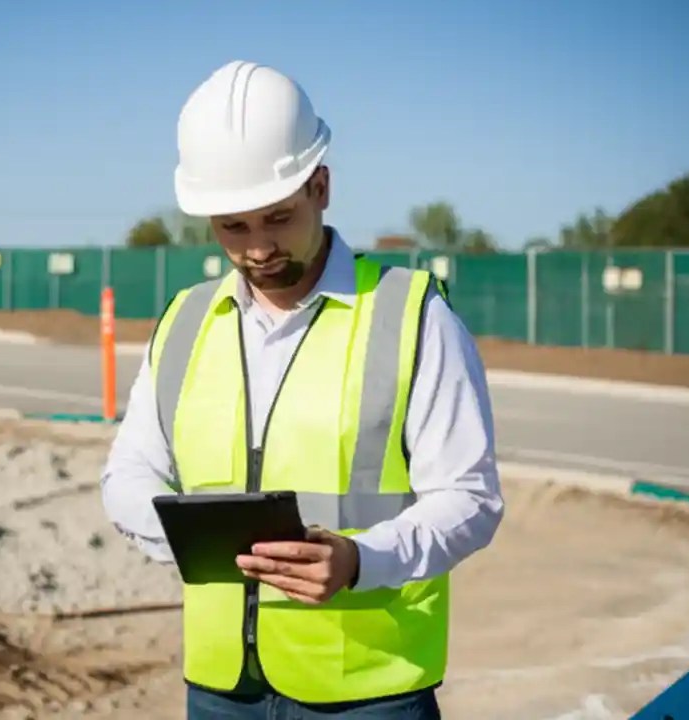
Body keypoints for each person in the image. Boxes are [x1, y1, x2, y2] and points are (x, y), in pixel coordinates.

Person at [99, 60, 505, 719]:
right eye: (233, 227)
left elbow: (472, 499)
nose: (258, 249)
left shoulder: (412, 317)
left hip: (369, 692)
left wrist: (358, 559)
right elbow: (128, 474)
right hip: (221, 690)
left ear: (321, 185)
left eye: (277, 218)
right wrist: (183, 535)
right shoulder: (184, 324)